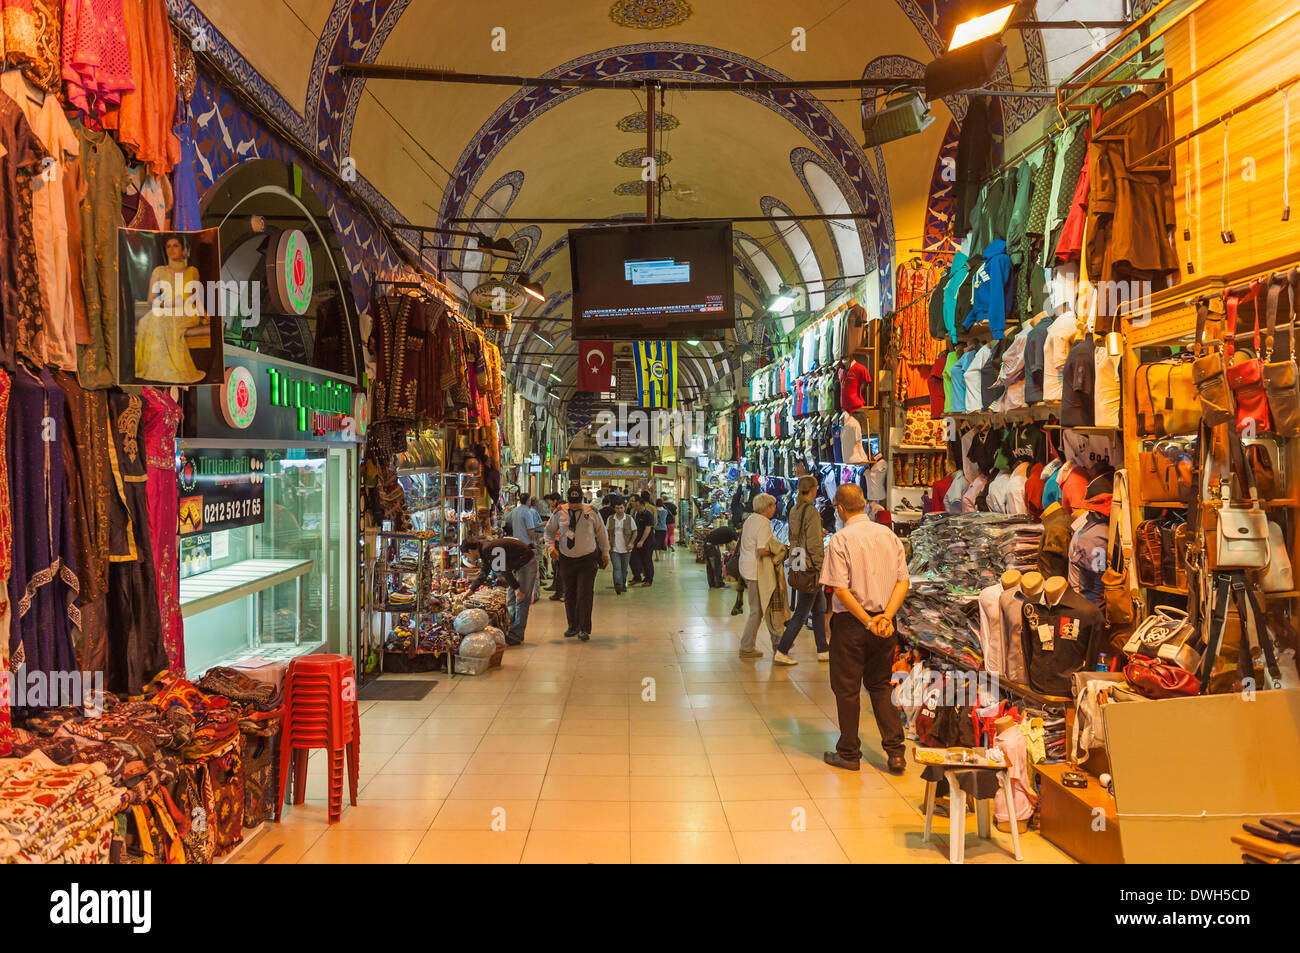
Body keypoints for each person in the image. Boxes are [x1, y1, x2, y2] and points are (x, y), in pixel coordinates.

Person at [819, 484, 911, 774]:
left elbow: (841, 591)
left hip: (852, 623)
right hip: (885, 622)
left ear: (841, 509)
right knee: (880, 685)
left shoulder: (841, 540)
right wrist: (885, 617)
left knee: (847, 689)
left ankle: (849, 752)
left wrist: (868, 621)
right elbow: (902, 581)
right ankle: (896, 753)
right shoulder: (889, 536)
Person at [136, 233, 209, 383]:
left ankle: (173, 370)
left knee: (167, 321)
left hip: (188, 311)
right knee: (146, 321)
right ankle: (157, 370)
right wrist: (168, 304)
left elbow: (197, 299)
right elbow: (151, 299)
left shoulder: (192, 271)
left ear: (183, 250)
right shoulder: (159, 271)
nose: (171, 249)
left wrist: (206, 315)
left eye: (175, 245)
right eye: (168, 246)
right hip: (166, 309)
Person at [773, 476, 829, 665]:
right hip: (809, 561)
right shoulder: (811, 510)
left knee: (819, 607)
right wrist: (820, 566)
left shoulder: (795, 508)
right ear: (813, 489)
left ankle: (823, 649)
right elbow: (813, 542)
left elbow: (794, 535)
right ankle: (782, 649)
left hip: (797, 557)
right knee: (802, 610)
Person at [544, 485, 610, 641]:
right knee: (570, 593)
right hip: (566, 558)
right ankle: (572, 626)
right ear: (568, 499)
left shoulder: (592, 512)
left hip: (587, 558)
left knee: (585, 593)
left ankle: (584, 629)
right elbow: (549, 531)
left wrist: (605, 552)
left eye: (577, 501)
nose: (575, 505)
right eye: (572, 502)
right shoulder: (559, 512)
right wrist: (550, 548)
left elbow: (602, 533)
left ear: (582, 499)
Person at [461, 537, 538, 645]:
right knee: (511, 599)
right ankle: (510, 630)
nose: (467, 558)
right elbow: (484, 572)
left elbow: (503, 569)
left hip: (526, 563)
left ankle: (516, 636)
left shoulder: (488, 549)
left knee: (521, 600)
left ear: (470, 551)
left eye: (466, 555)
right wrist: (471, 590)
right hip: (517, 565)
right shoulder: (483, 550)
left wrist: (516, 588)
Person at [736, 494, 779, 659]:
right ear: (767, 507)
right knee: (758, 610)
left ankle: (775, 644)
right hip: (755, 570)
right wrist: (778, 550)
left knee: (760, 609)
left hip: (746, 566)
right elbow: (761, 550)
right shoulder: (763, 523)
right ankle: (747, 647)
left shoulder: (751, 519)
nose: (775, 509)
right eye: (773, 505)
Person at [606, 500, 637, 595]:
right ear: (614, 508)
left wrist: (631, 543)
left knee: (624, 569)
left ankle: (623, 584)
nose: (619, 510)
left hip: (626, 549)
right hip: (614, 549)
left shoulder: (629, 519)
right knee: (617, 568)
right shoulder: (610, 519)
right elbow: (606, 532)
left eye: (621, 508)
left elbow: (635, 531)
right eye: (617, 508)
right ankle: (617, 585)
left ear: (624, 508)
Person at [630, 497, 656, 587]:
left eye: (637, 506)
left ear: (643, 505)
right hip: (637, 541)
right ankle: (637, 577)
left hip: (647, 542)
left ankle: (649, 579)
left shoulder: (648, 515)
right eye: (635, 505)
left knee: (647, 560)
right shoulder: (636, 514)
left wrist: (642, 541)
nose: (636, 507)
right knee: (635, 560)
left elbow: (647, 529)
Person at [703, 524, 737, 589]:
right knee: (717, 565)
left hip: (707, 544)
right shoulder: (733, 535)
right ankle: (719, 585)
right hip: (712, 547)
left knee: (710, 567)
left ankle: (712, 585)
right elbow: (733, 546)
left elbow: (729, 546)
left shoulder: (729, 530)